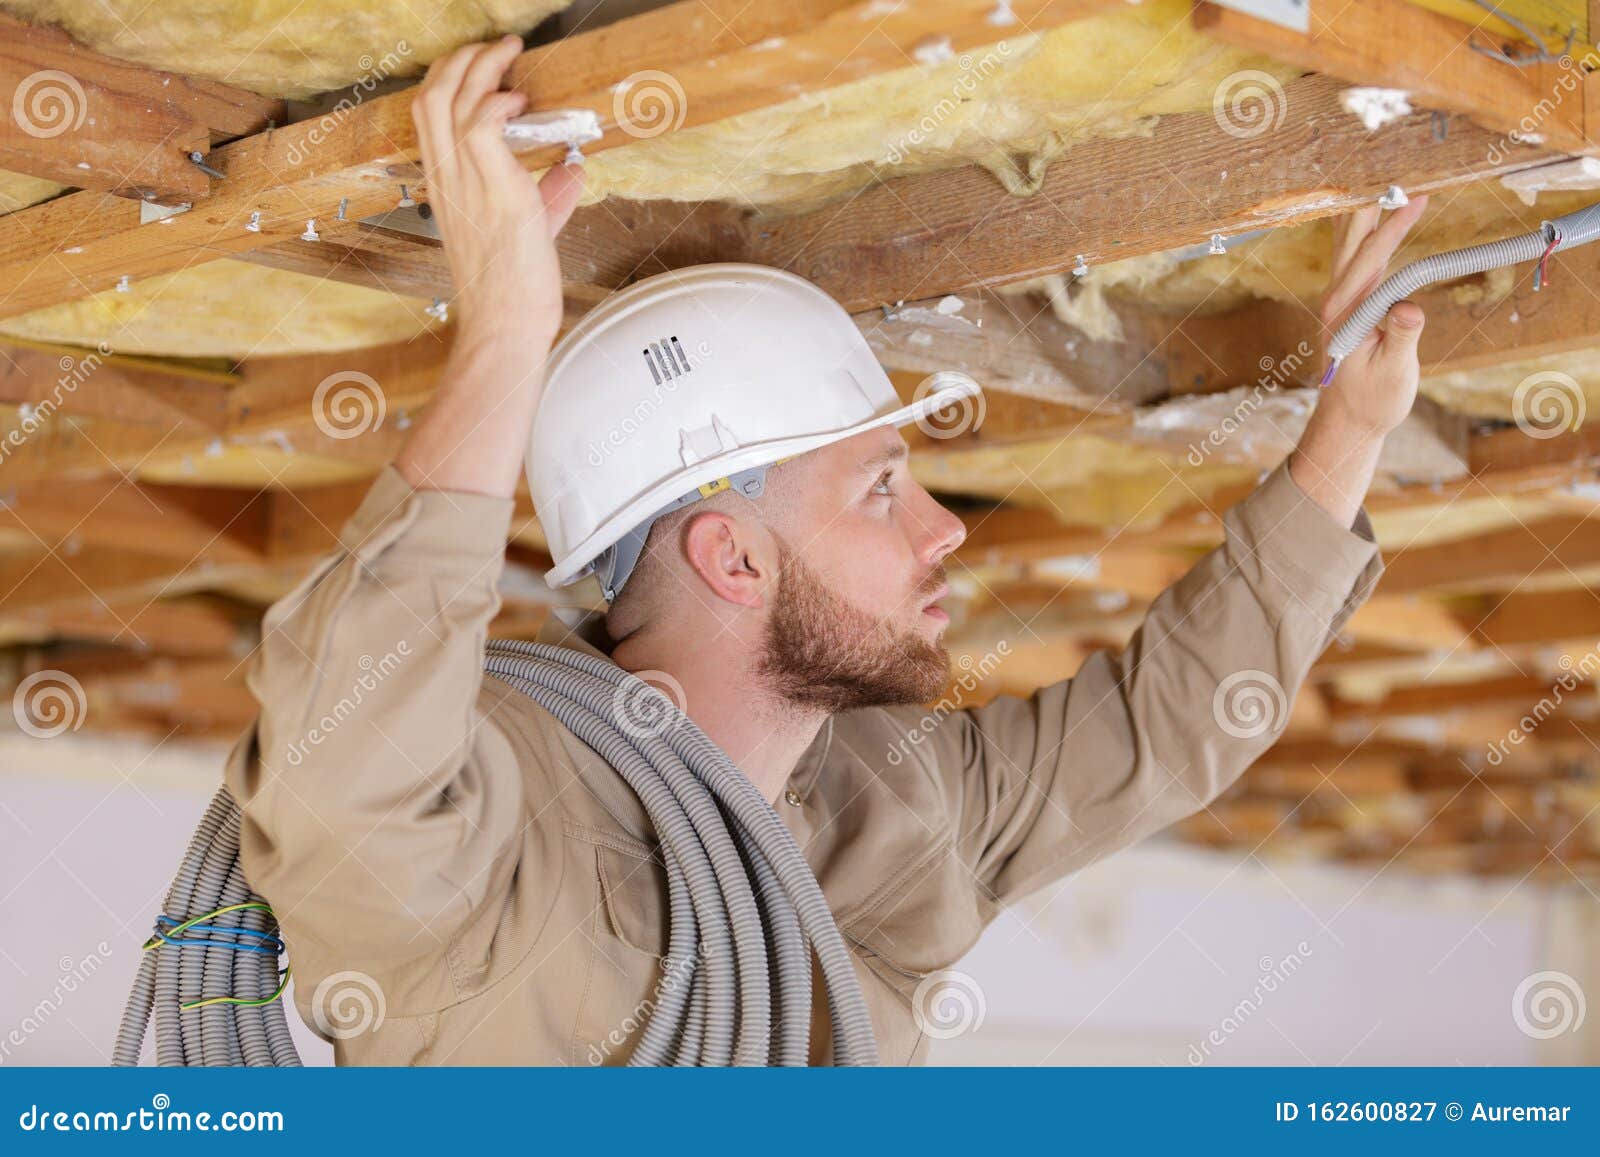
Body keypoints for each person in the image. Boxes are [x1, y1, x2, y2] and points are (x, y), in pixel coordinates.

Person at [224, 35, 1427, 1064]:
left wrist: (1351, 427)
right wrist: (503, 334)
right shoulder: (504, 824)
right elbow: (343, 772)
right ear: (732, 560)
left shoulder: (894, 796)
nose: (946, 527)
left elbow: (1168, 726)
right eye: (882, 488)